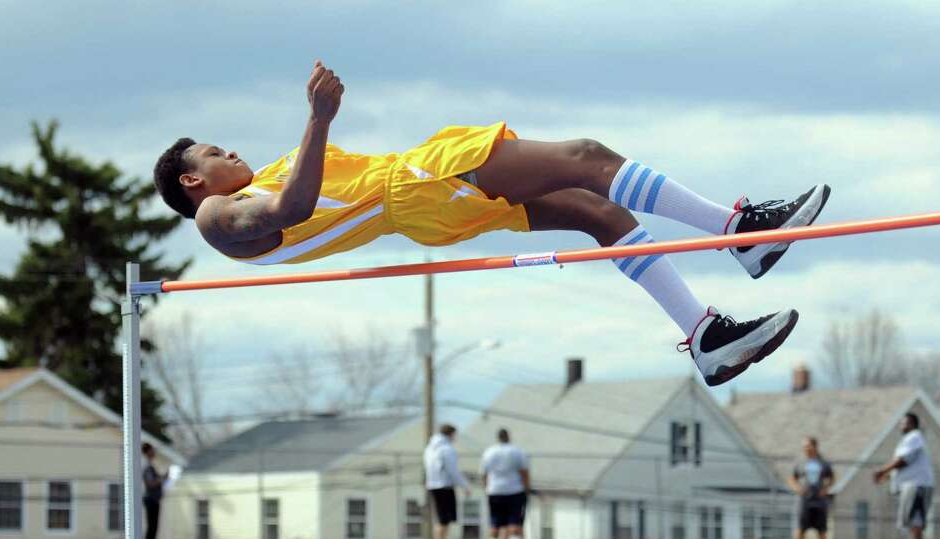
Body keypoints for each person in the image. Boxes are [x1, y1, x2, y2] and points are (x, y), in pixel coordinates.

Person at [153, 61, 832, 388]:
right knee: (587, 159)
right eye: (214, 154)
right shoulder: (216, 216)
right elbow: (291, 212)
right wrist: (319, 118)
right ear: (192, 182)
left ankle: (703, 333)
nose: (230, 151)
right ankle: (742, 231)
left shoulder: (261, 175)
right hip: (418, 186)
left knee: (598, 211)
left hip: (421, 192)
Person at [873, 412, 935, 539]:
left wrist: (882, 470)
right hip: (914, 484)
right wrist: (888, 475)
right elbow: (904, 464)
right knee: (915, 518)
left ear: (912, 424)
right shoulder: (910, 439)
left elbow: (903, 460)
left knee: (915, 518)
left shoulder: (914, 436)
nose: (901, 426)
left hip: (916, 484)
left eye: (904, 423)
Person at [480, 428, 531, 539]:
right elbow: (524, 472)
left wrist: (486, 487)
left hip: (494, 490)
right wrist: (526, 488)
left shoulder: (489, 452)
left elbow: (483, 473)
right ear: (508, 436)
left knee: (495, 522)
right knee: (514, 521)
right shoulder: (517, 451)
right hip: (514, 490)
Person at [423, 424, 471, 539]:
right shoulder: (447, 449)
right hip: (444, 485)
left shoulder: (429, 448)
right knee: (444, 519)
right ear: (450, 434)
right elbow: (453, 471)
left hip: (432, 485)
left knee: (441, 518)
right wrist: (465, 486)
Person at [788, 437, 834, 539]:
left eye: (808, 446)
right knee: (801, 525)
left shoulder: (823, 462)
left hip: (819, 499)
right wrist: (797, 488)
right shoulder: (800, 462)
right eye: (804, 446)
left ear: (814, 447)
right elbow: (792, 478)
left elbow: (831, 477)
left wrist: (825, 489)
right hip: (805, 498)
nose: (806, 448)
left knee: (821, 526)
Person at [142, 443, 164, 539]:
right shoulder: (147, 467)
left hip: (154, 499)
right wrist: (161, 479)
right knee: (151, 526)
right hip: (151, 499)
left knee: (154, 526)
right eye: (152, 450)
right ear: (148, 452)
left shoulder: (151, 466)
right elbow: (150, 483)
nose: (154, 452)